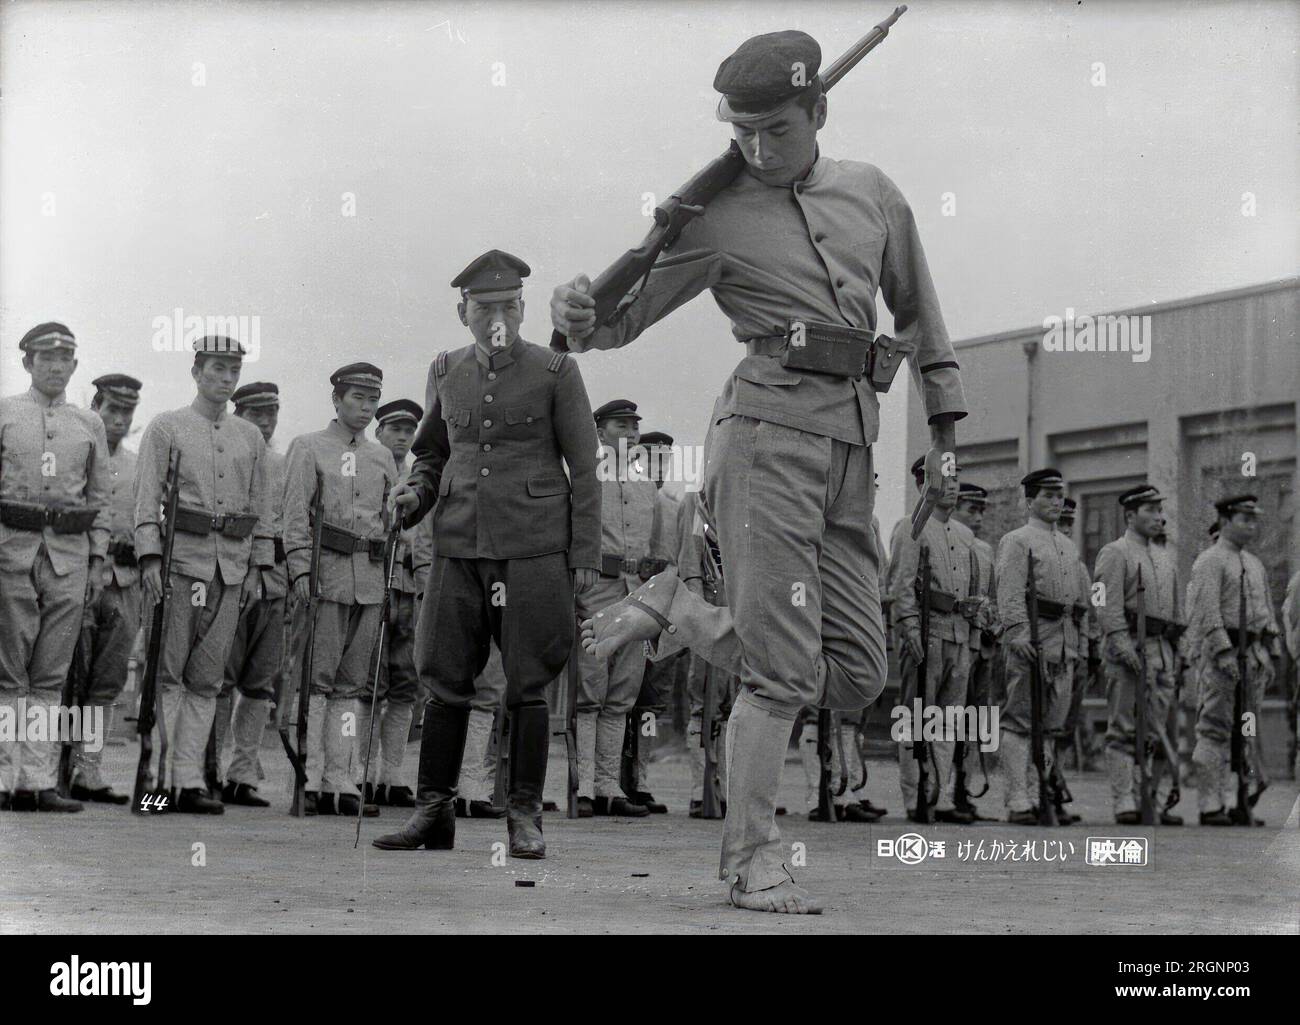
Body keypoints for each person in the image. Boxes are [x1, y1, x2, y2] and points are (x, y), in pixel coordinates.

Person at [552, 30, 966, 913]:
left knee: (856, 673)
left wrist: (950, 424)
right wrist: (578, 310)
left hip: (852, 446)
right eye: (739, 131)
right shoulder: (717, 217)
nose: (753, 147)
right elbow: (614, 325)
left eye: (774, 128)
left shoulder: (874, 195)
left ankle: (678, 602)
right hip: (765, 436)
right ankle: (752, 860)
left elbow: (919, 313)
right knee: (780, 673)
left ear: (820, 111)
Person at [374, 249, 600, 859]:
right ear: (462, 312)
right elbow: (431, 455)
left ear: (523, 309)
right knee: (443, 679)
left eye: (507, 306)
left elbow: (584, 468)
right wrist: (413, 494)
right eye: (483, 308)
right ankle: (433, 811)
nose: (495, 317)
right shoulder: (445, 370)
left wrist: (583, 557)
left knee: (527, 685)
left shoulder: (556, 372)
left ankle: (524, 815)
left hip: (533, 548)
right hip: (458, 545)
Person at [133, 336, 273, 814]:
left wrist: (256, 568)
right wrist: (150, 557)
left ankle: (189, 782)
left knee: (207, 679)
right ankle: (157, 785)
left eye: (233, 370)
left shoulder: (249, 438)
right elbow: (146, 498)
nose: (226, 378)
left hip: (229, 571)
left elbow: (261, 510)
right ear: (196, 371)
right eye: (216, 368)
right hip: (179, 564)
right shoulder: (167, 427)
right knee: (167, 674)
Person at [0, 323, 110, 813]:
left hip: (69, 557)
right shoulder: (5, 414)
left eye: (64, 359)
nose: (54, 366)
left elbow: (100, 500)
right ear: (27, 363)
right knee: (7, 672)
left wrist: (99, 560)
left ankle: (38, 782)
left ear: (75, 366)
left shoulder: (89, 423)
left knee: (49, 674)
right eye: (45, 358)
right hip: (11, 550)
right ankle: (4, 778)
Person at [282, 363, 396, 818]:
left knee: (352, 685)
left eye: (372, 401)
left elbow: (390, 524)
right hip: (324, 576)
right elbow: (293, 518)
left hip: (368, 580)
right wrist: (299, 572)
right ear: (336, 400)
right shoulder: (308, 448)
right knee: (317, 680)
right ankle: (307, 777)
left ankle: (341, 778)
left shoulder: (382, 456)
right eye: (356, 399)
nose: (365, 409)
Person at [570, 400, 662, 818]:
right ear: (600, 431)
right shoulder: (586, 475)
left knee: (622, 693)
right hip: (597, 589)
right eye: (620, 425)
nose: (629, 433)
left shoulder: (646, 486)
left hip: (637, 592)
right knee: (590, 690)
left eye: (633, 427)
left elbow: (659, 548)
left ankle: (609, 785)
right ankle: (583, 785)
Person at [68, 374, 144, 804]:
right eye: (111, 409)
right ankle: (53, 767)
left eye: (126, 412)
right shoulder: (76, 457)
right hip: (81, 575)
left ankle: (88, 769)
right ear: (95, 407)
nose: (117, 419)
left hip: (126, 580)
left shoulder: (137, 464)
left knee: (109, 678)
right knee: (67, 674)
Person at [994, 469, 1085, 825]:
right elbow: (1010, 589)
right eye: (1047, 495)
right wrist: (1016, 632)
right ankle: (1018, 798)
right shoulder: (1018, 540)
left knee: (1050, 724)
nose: (1056, 502)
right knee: (1019, 719)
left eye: (1059, 495)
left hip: (1062, 640)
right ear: (1029, 501)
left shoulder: (1067, 545)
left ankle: (1039, 792)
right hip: (1032, 635)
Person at [1186, 495, 1281, 826]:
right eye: (1244, 518)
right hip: (1223, 657)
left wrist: (1273, 647)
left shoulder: (1253, 564)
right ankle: (1211, 804)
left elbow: (1266, 611)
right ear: (1225, 521)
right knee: (1214, 728)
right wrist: (1223, 650)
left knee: (1248, 729)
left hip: (1252, 657)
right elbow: (1207, 610)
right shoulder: (1210, 560)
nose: (1251, 525)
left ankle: (1244, 799)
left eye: (1254, 519)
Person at [213, 380, 286, 808]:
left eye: (271, 413)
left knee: (260, 683)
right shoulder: (226, 460)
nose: (265, 422)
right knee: (218, 678)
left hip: (275, 578)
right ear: (238, 414)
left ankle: (242, 773)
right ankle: (206, 771)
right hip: (232, 576)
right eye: (256, 413)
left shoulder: (284, 463)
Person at [1092, 484, 1183, 825]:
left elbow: (1175, 612)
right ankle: (1124, 800)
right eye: (1151, 510)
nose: (1159, 517)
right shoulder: (1115, 552)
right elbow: (1102, 601)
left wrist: (1178, 651)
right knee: (1124, 729)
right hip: (1127, 650)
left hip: (1161, 654)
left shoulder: (1163, 557)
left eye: (1161, 510)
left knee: (1158, 730)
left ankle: (1154, 800)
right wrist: (1120, 642)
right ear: (1130, 515)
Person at [891, 456, 975, 824]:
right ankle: (916, 798)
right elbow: (901, 586)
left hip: (958, 633)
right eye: (944, 478)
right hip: (926, 633)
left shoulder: (964, 535)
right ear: (923, 484)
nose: (953, 485)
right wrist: (909, 629)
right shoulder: (911, 528)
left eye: (956, 477)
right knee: (914, 720)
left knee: (948, 719)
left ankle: (939, 796)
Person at [357, 397, 431, 808]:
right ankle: (362, 772)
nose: (402, 437)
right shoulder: (370, 467)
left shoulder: (423, 478)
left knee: (405, 684)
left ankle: (392, 774)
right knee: (370, 682)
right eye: (394, 429)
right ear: (379, 432)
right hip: (376, 584)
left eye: (408, 430)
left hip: (410, 587)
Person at [948, 480, 998, 819]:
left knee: (974, 719)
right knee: (946, 716)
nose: (978, 517)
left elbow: (991, 594)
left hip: (982, 643)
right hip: (956, 638)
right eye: (971, 510)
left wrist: (994, 625)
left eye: (981, 511)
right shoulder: (947, 543)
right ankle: (941, 791)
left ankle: (963, 789)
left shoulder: (983, 549)